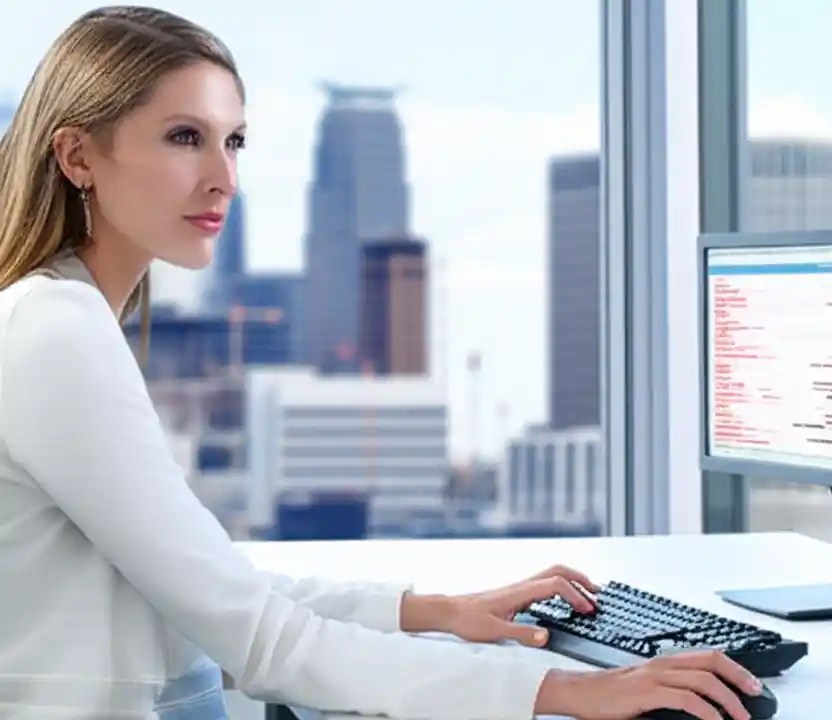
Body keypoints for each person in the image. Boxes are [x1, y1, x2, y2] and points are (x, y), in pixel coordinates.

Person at [0, 6, 764, 720]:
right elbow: (264, 642)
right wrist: (568, 689)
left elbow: (205, 587)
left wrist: (432, 611)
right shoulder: (55, 331)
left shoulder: (61, 315)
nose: (224, 179)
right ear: (77, 156)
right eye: (182, 137)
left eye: (233, 141)